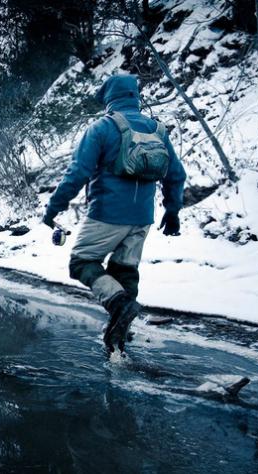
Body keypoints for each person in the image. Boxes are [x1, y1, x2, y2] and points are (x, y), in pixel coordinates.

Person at [42, 74, 186, 352]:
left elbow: (78, 173)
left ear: (108, 99)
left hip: (107, 213)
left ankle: (120, 306)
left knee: (82, 263)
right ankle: (120, 333)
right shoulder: (158, 130)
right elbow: (176, 174)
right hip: (142, 217)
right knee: (125, 270)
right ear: (135, 96)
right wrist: (173, 210)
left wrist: (53, 208)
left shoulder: (102, 128)